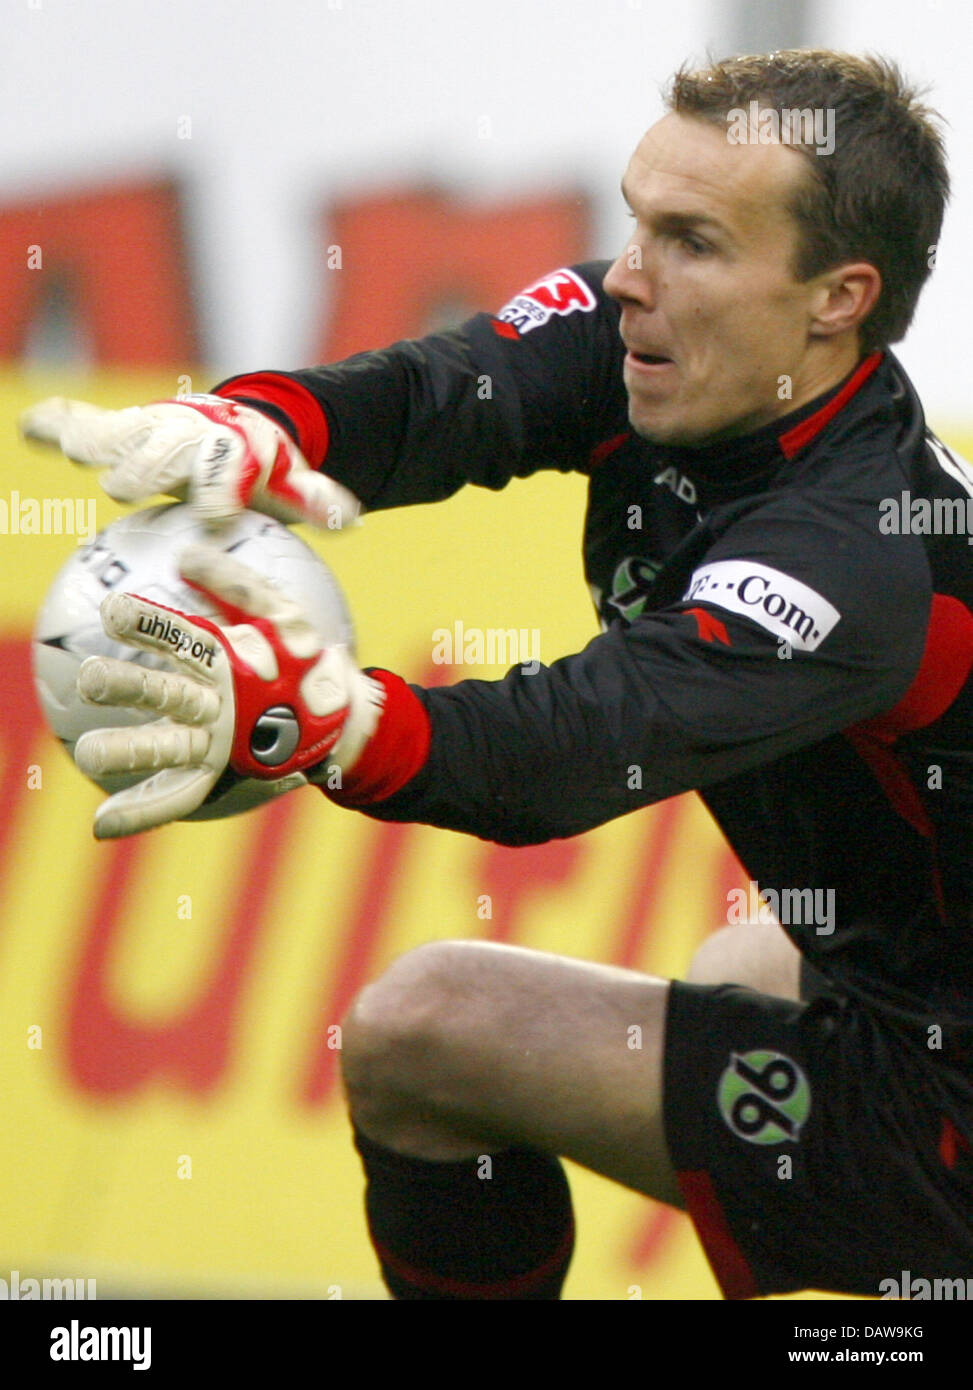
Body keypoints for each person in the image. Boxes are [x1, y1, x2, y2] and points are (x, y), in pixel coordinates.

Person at [21, 49, 973, 1300]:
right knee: (739, 964)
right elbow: (443, 398)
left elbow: (578, 745)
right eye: (638, 218)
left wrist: (331, 719)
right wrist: (252, 429)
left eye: (692, 242)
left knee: (426, 1026)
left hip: (943, 1104)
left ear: (836, 297)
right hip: (904, 987)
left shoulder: (859, 557)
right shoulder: (675, 351)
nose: (630, 276)